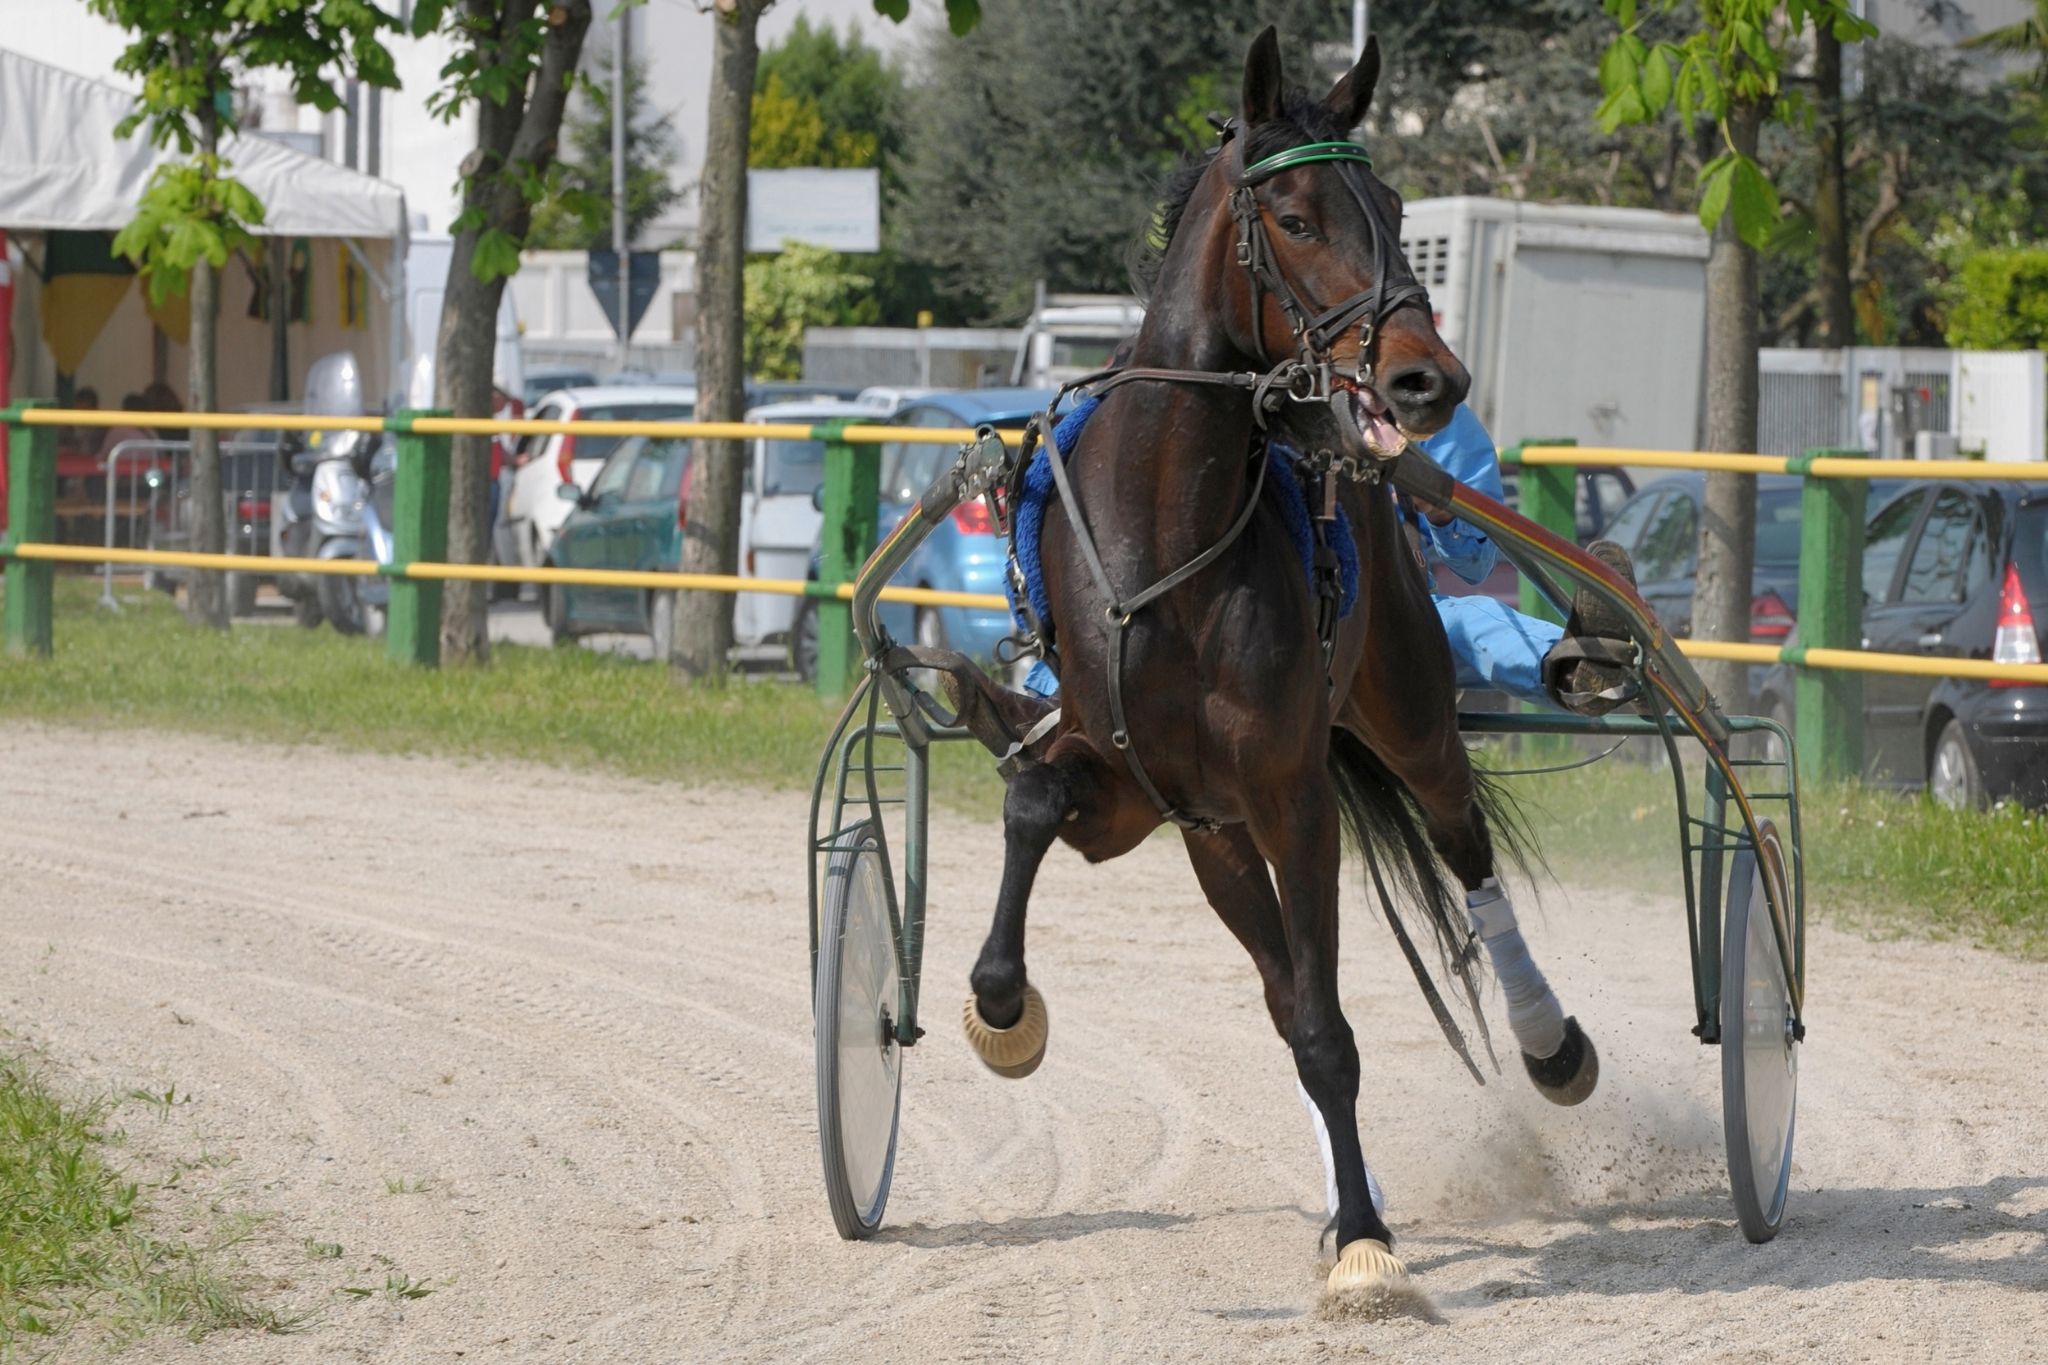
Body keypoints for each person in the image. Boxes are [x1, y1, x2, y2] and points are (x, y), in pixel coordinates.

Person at [1413, 405, 1636, 715]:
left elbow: (1475, 563)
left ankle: (1575, 672)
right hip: (1329, 606)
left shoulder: (1428, 408)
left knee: (1470, 622)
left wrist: (1442, 512)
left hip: (1400, 615)